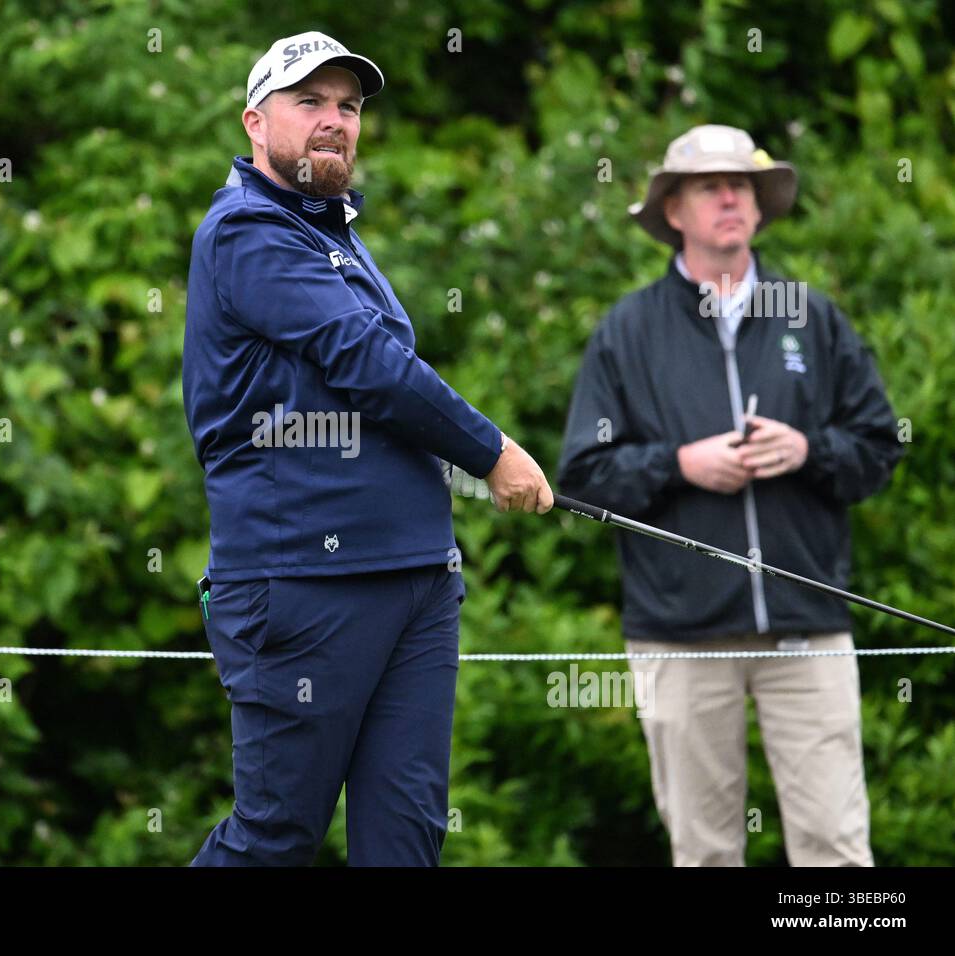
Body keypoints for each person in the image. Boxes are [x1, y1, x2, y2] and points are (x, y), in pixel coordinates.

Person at [182, 31, 553, 866]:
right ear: (254, 121)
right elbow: (370, 366)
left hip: (417, 578)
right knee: (277, 837)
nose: (334, 121)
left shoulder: (337, 235)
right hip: (303, 583)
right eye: (308, 102)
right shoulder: (247, 231)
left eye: (347, 106)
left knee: (405, 840)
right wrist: (493, 451)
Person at [557, 124, 904, 866]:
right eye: (709, 186)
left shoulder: (811, 317)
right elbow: (583, 478)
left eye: (741, 185)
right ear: (672, 211)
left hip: (806, 628)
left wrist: (809, 451)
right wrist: (681, 463)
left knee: (835, 850)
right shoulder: (627, 330)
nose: (728, 197)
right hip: (678, 639)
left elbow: (880, 448)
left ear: (759, 205)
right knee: (705, 854)